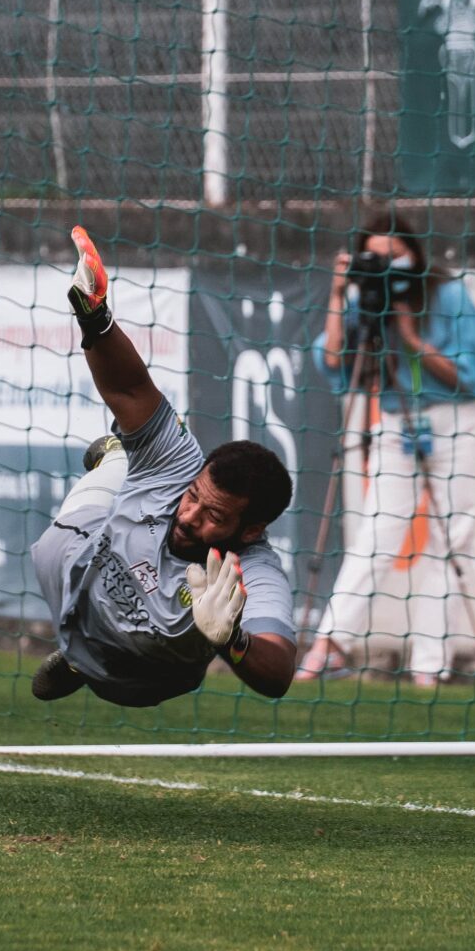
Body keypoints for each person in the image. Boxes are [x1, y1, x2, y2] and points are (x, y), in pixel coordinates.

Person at [29, 226, 298, 707]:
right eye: (195, 496)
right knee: (67, 527)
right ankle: (119, 453)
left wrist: (232, 640)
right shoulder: (179, 468)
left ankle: (79, 661)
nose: (190, 515)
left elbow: (278, 672)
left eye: (215, 516)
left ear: (251, 529)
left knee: (139, 677)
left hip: (133, 676)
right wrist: (95, 318)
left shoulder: (251, 573)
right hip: (77, 571)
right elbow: (131, 389)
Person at [297, 207, 475, 686]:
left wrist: (410, 337)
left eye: (395, 257)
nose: (386, 267)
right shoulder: (365, 302)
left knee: (453, 540)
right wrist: (339, 293)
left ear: (414, 255)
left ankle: (430, 665)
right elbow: (333, 361)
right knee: (377, 532)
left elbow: (472, 376)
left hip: (455, 420)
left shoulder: (447, 294)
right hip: (394, 419)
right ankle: (330, 644)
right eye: (375, 258)